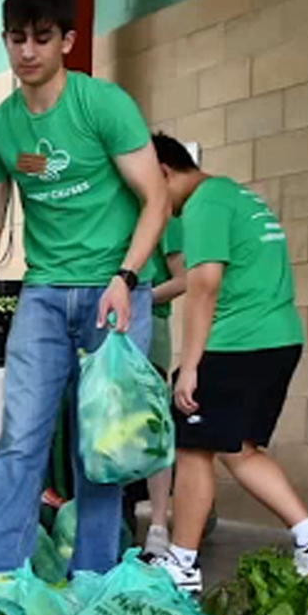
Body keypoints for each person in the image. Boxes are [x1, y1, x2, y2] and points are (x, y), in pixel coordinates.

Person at [0, 0, 170, 577]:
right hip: (43, 295)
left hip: (114, 294)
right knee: (20, 440)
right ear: (5, 40)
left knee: (102, 448)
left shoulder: (103, 105)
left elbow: (157, 198)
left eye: (42, 38)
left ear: (67, 41)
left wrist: (126, 277)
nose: (27, 51)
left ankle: (90, 584)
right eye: (17, 38)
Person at [150, 132, 308, 588]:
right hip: (280, 339)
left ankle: (182, 563)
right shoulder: (236, 195)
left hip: (239, 341)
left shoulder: (205, 204)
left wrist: (190, 366)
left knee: (192, 445)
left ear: (163, 172)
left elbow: (204, 285)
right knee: (238, 449)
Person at [136, 222, 188, 558]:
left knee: (151, 426)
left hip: (148, 325)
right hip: (105, 324)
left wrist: (138, 299)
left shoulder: (167, 220)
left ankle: (158, 525)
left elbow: (184, 279)